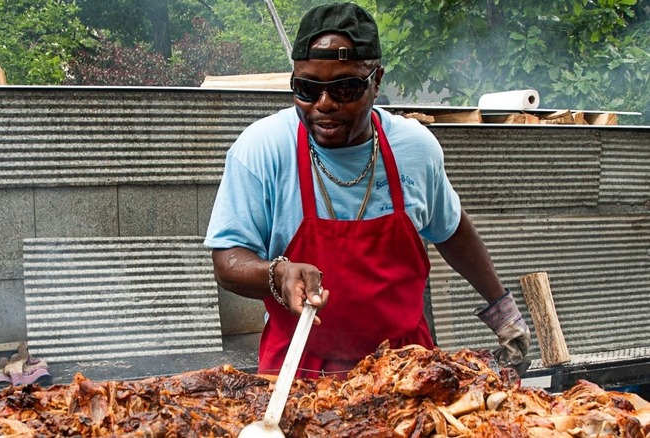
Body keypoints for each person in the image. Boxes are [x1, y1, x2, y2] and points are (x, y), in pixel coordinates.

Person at [204, 2, 530, 379]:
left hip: (407, 370)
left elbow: (452, 229)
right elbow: (227, 261)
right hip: (299, 366)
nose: (324, 105)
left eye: (345, 88)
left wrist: (503, 312)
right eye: (307, 89)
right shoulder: (262, 149)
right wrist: (277, 273)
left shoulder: (415, 149)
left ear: (376, 81)